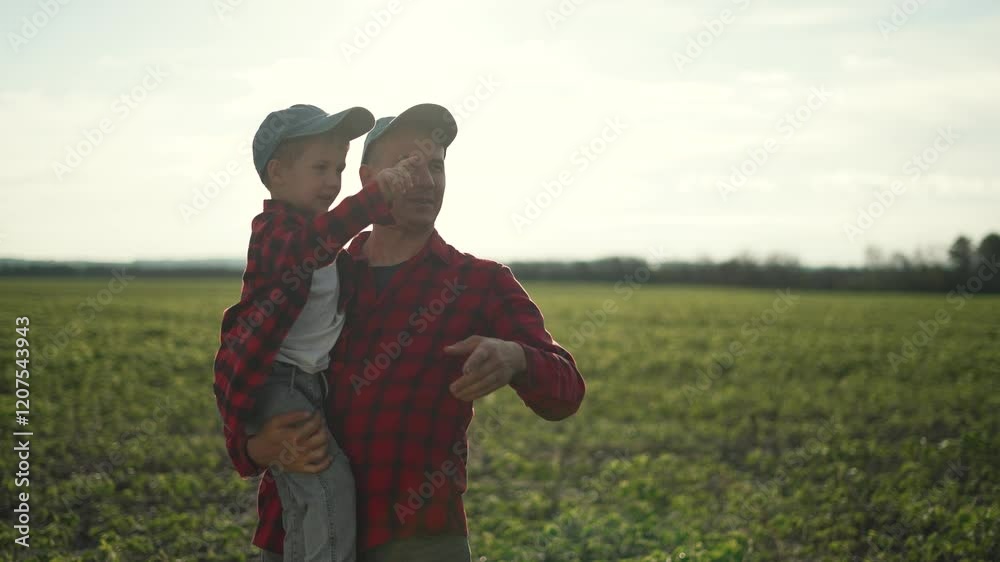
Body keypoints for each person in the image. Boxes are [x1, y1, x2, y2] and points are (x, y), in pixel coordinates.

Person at [232, 103, 587, 562]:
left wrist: (517, 357)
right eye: (407, 165)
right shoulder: (319, 276)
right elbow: (244, 359)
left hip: (418, 539)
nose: (425, 178)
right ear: (365, 179)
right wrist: (255, 448)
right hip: (296, 534)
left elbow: (567, 392)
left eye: (435, 165)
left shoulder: (481, 282)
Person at [213, 103, 419, 561]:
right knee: (328, 485)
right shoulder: (276, 233)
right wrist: (371, 199)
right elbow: (312, 246)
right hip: (277, 383)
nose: (333, 181)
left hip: (306, 384)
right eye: (321, 167)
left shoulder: (329, 247)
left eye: (340, 169)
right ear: (278, 174)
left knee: (305, 501)